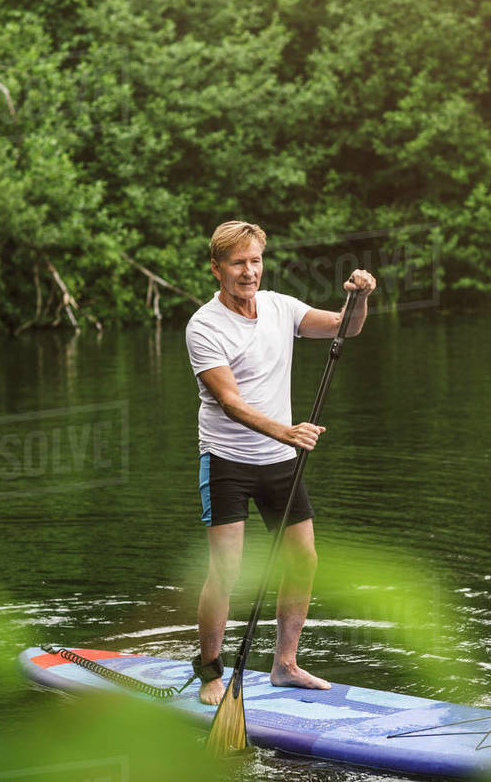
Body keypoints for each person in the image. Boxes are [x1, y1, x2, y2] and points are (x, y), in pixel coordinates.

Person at [185, 220, 376, 706]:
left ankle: (285, 665)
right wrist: (286, 431)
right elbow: (229, 401)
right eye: (237, 263)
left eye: (255, 261)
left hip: (279, 460)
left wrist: (361, 297)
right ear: (217, 268)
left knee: (304, 560)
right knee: (226, 571)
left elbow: (344, 327)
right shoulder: (204, 325)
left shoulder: (279, 306)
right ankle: (210, 671)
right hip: (227, 458)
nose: (249, 272)